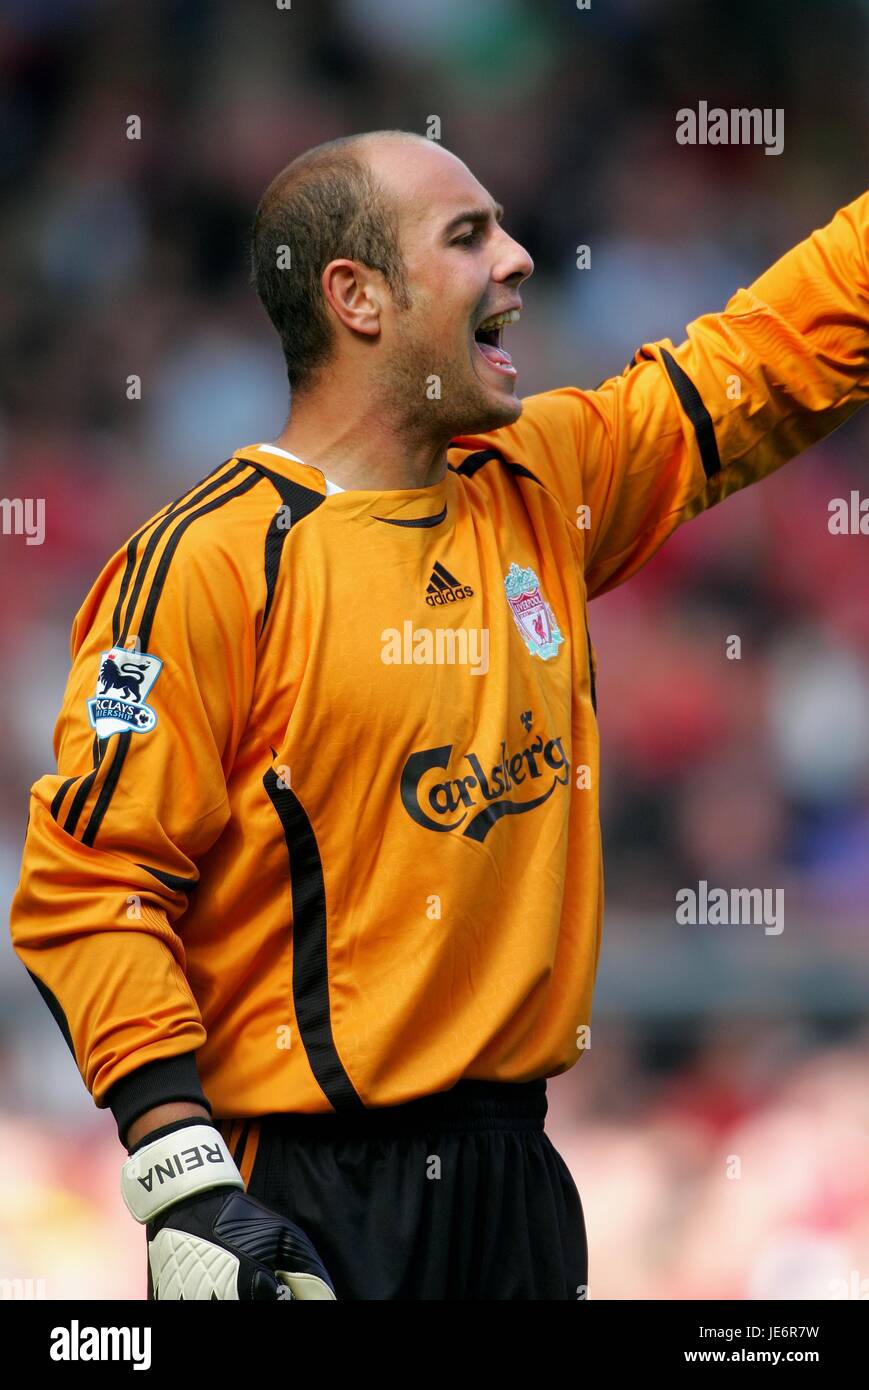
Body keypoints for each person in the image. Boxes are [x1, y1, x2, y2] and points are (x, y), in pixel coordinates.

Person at [9, 130, 869, 1300]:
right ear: (355, 296)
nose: (517, 259)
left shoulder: (541, 484)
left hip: (514, 1182)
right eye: (467, 236)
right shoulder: (207, 565)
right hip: (301, 1192)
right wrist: (185, 1183)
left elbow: (764, 358)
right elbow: (89, 882)